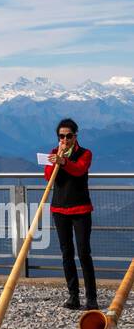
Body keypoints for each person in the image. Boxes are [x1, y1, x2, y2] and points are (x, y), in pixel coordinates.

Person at [45, 117, 97, 311]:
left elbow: (79, 169)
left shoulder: (85, 153)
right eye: (61, 136)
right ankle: (73, 296)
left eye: (68, 136)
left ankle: (91, 298)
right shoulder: (53, 153)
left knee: (84, 253)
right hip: (59, 209)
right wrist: (55, 161)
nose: (64, 140)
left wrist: (64, 161)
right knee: (67, 253)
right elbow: (48, 177)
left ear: (75, 136)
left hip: (81, 209)